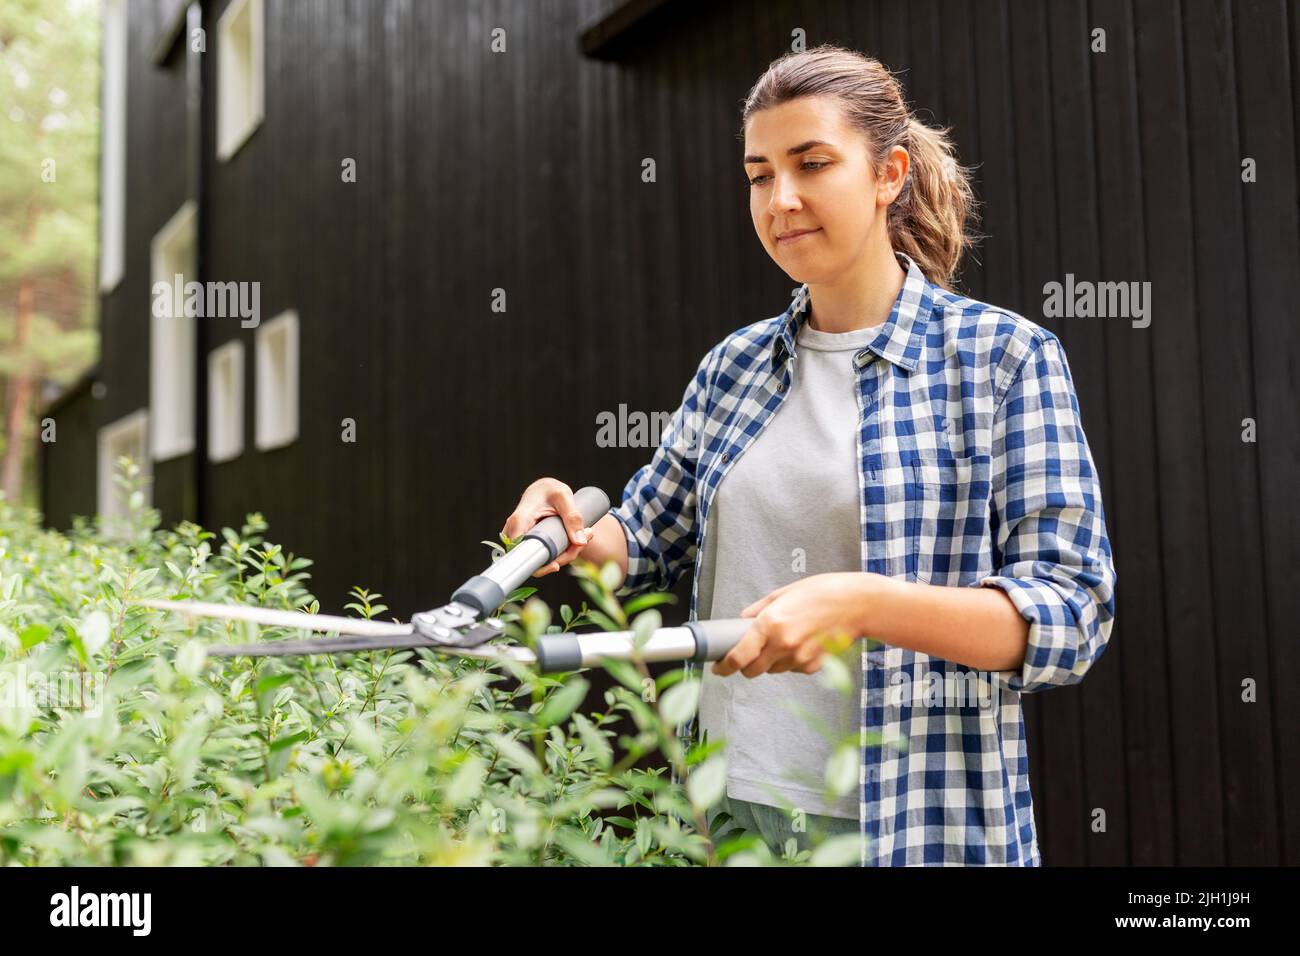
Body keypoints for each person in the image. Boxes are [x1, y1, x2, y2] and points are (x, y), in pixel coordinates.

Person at [501, 44, 1116, 866]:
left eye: (812, 163)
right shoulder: (734, 367)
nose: (780, 199)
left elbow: (1072, 615)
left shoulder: (1002, 360)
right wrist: (569, 524)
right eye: (759, 174)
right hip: (731, 807)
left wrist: (861, 605)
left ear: (889, 172)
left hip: (908, 823)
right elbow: (644, 538)